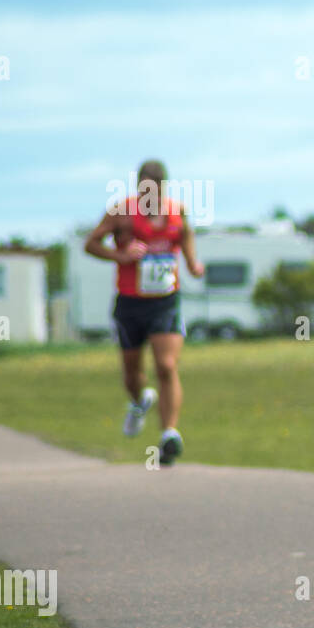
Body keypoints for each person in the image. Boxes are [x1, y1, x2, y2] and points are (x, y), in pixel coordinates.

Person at [83, 160, 204, 466]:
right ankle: (139, 401)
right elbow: (91, 243)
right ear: (138, 187)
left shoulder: (177, 212)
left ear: (163, 188)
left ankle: (169, 434)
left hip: (165, 301)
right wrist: (120, 255)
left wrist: (192, 262)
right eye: (144, 190)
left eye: (156, 190)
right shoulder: (121, 212)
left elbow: (186, 236)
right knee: (132, 373)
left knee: (166, 365)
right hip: (130, 303)